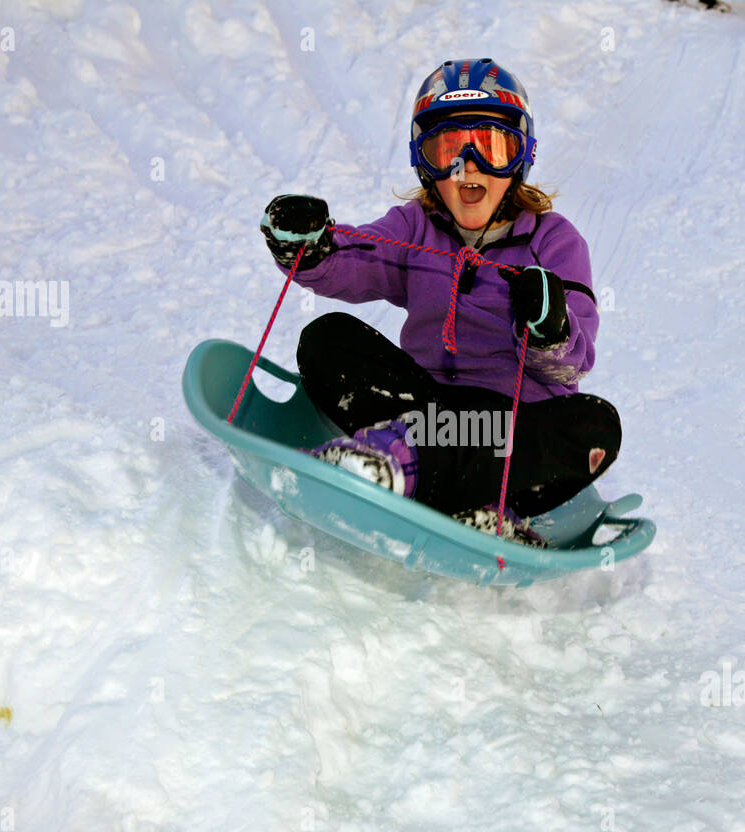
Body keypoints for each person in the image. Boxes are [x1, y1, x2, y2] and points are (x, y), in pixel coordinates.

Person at [259, 58, 621, 546]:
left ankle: (393, 464)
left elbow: (572, 364)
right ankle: (464, 498)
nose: (469, 165)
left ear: (520, 156)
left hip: (506, 427)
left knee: (595, 426)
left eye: (491, 146)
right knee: (328, 338)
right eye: (448, 148)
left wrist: (550, 328)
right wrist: (310, 248)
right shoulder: (415, 227)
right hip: (422, 404)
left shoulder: (555, 241)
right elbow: (358, 258)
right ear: (423, 161)